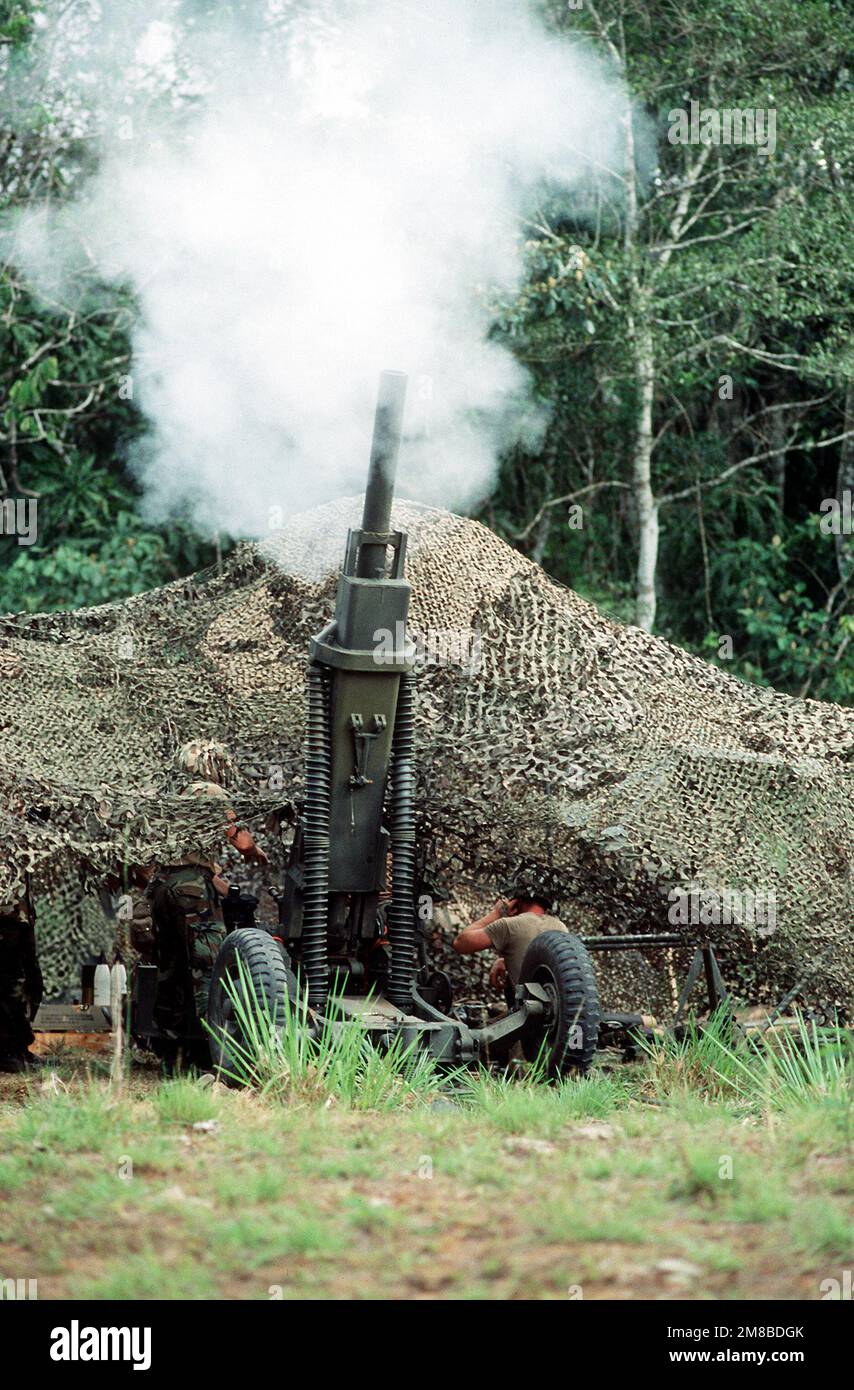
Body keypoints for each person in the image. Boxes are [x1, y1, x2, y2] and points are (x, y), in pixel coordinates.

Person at [148, 741, 267, 1064]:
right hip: (189, 893)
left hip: (161, 889)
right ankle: (209, 1050)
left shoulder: (169, 795)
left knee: (170, 969)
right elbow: (239, 839)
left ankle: (169, 1052)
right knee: (207, 967)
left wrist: (225, 888)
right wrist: (255, 852)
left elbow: (188, 862)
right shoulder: (211, 792)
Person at [453, 890, 568, 992]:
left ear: (516, 902)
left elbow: (460, 943)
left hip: (531, 1014)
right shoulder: (561, 928)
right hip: (562, 1011)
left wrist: (497, 913)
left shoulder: (509, 925)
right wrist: (504, 960)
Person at [0, 879, 44, 1073]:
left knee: (29, 979)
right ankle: (6, 1051)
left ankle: (19, 1047)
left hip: (20, 915)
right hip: (5, 917)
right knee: (8, 983)